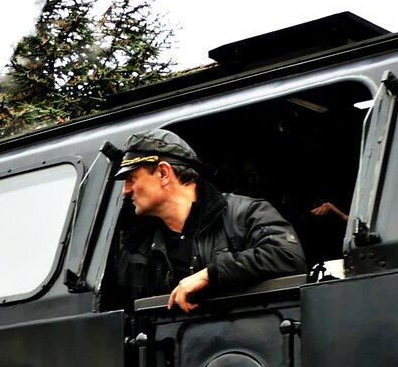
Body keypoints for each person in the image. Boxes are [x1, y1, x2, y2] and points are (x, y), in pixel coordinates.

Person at [108, 129, 306, 312]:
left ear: (163, 173)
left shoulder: (245, 214)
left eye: (131, 178)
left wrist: (210, 275)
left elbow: (287, 256)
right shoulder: (135, 251)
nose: (126, 190)